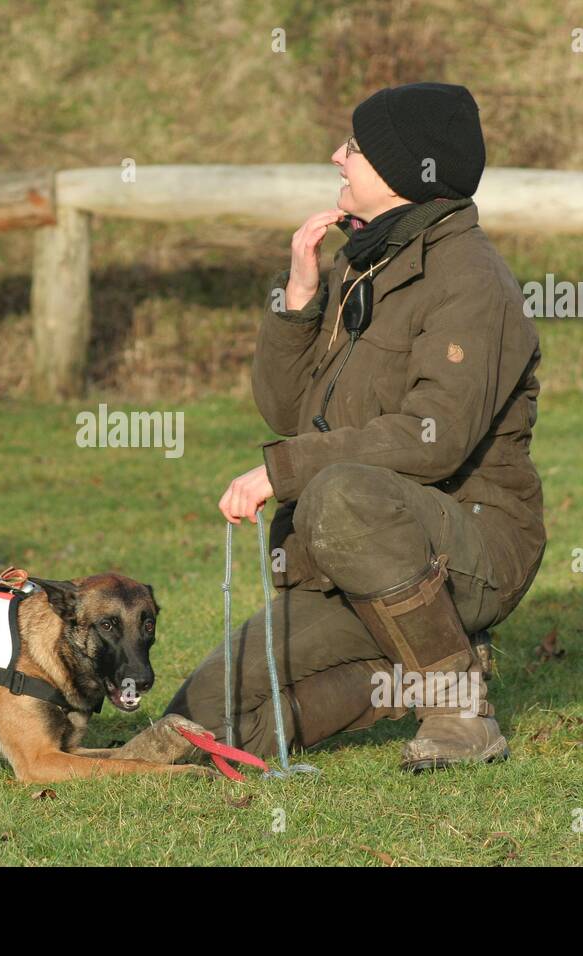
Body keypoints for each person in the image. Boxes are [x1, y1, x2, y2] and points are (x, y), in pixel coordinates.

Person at [163, 82, 546, 771]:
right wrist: (300, 300)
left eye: (357, 147)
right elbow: (287, 415)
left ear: (405, 172)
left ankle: (459, 708)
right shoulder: (365, 261)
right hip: (350, 561)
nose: (337, 156)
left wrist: (283, 472)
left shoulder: (471, 281)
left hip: (470, 544)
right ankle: (411, 664)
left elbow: (436, 435)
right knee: (203, 714)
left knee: (341, 492)